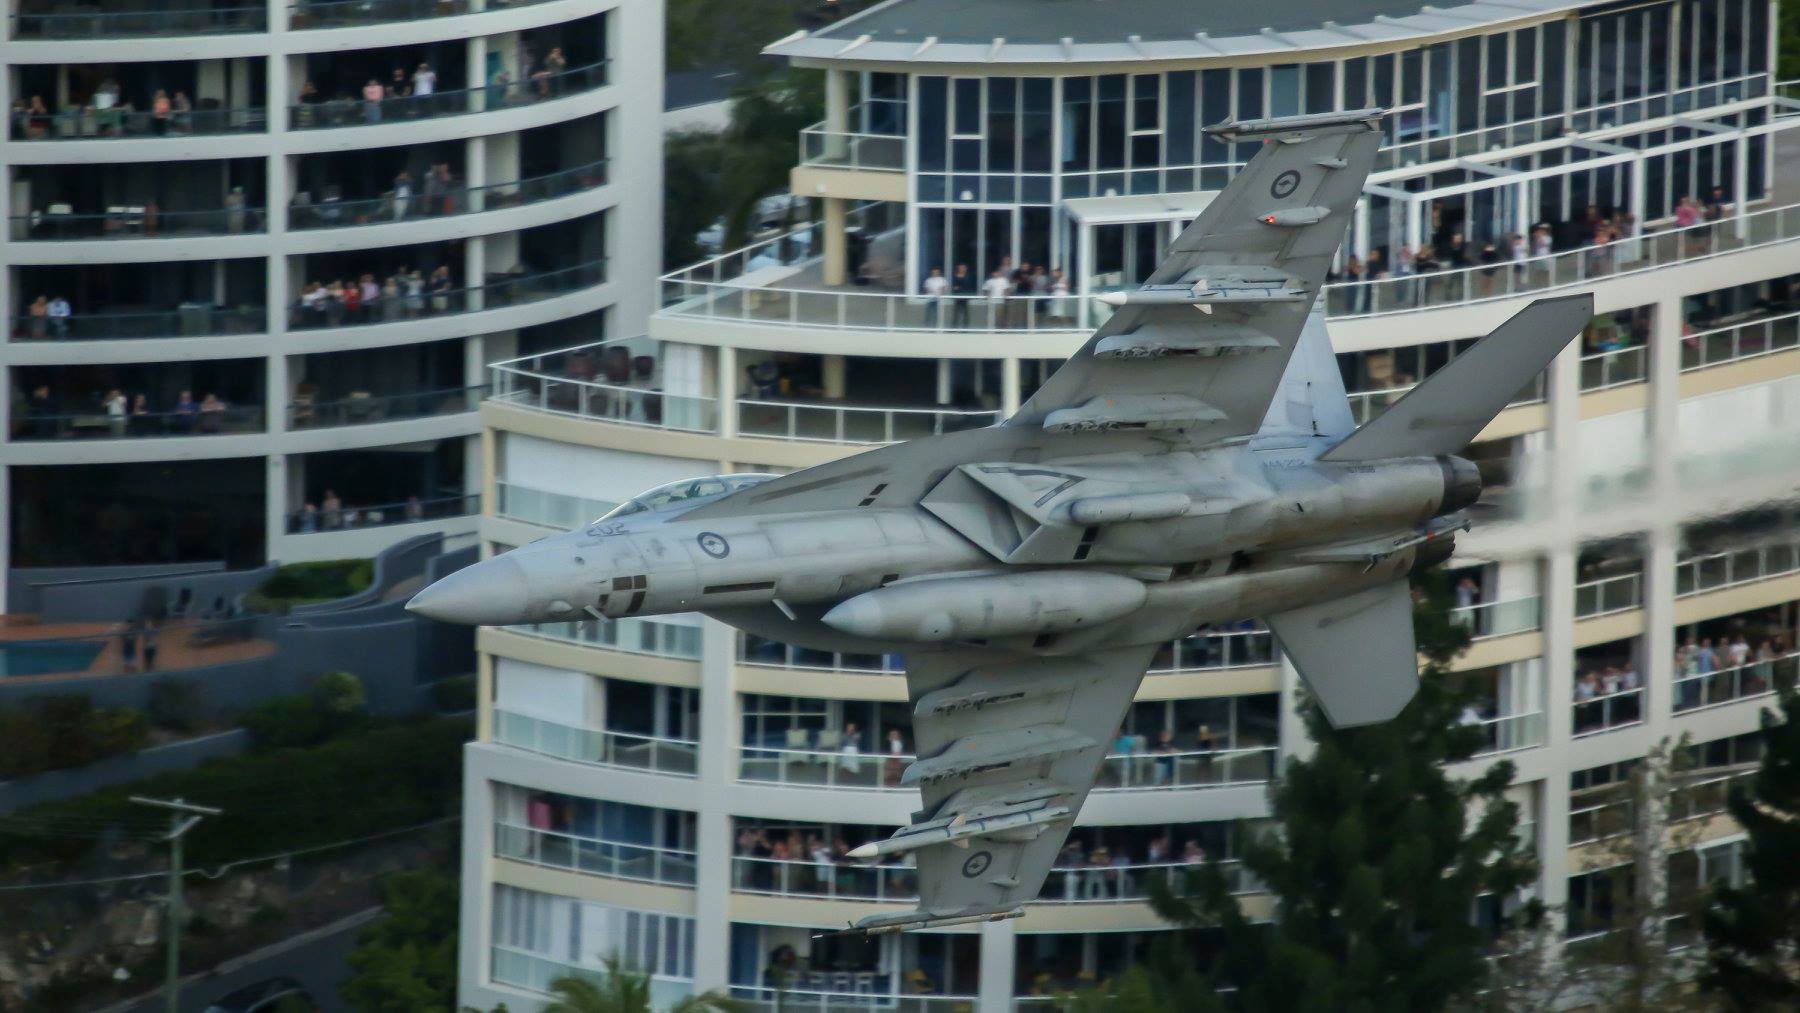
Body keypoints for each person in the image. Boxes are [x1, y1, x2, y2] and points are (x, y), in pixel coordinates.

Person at [949, 263, 975, 328]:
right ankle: (954, 327)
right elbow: (953, 287)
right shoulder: (955, 276)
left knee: (965, 312)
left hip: (965, 296)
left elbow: (969, 286)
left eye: (963, 268)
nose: (961, 269)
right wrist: (957, 288)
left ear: (965, 268)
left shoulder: (968, 276)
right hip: (957, 296)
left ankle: (965, 327)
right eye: (960, 268)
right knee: (956, 312)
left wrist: (960, 287)